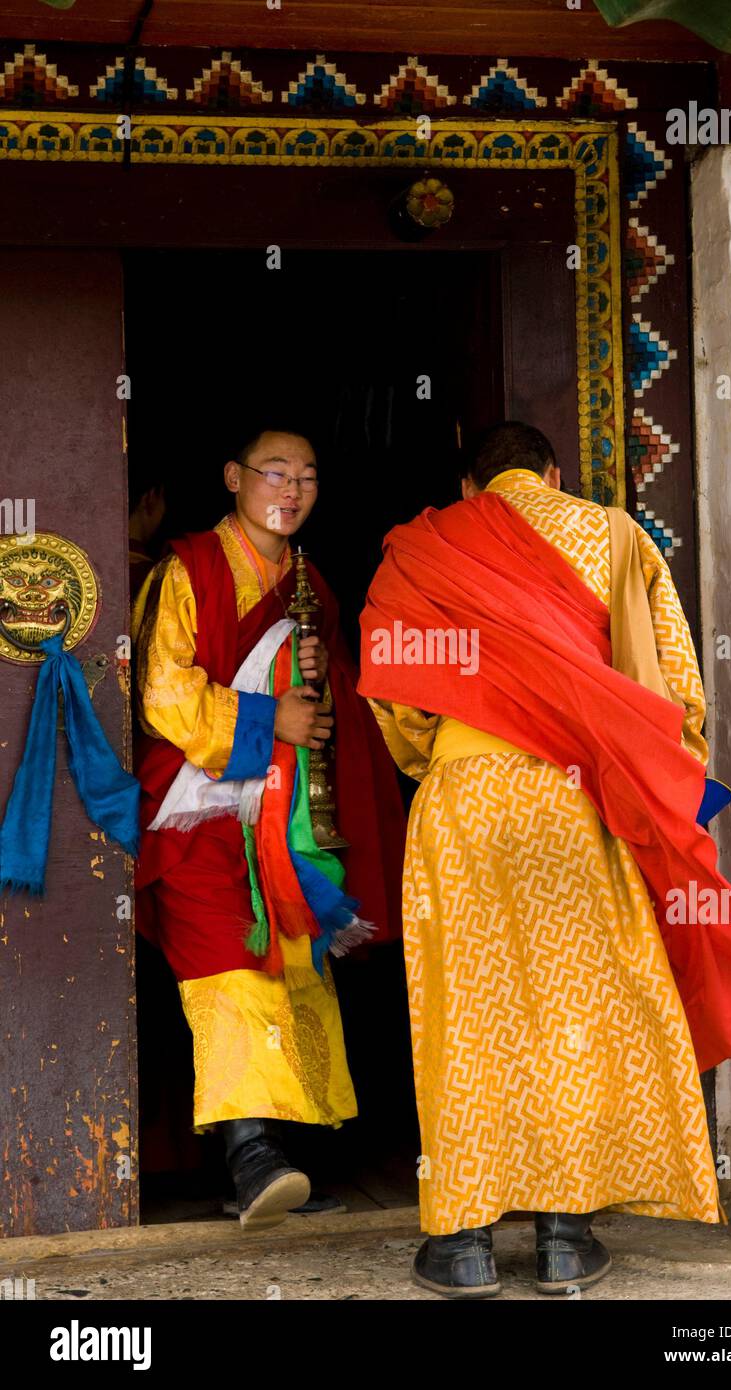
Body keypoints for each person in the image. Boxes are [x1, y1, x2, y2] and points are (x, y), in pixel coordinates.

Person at [359, 420, 731, 1299]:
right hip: (578, 798)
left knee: (464, 1013)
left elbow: (395, 693)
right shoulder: (616, 535)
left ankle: (462, 1244)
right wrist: (665, 782)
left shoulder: (423, 544)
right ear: (552, 474)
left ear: (473, 487)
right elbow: (673, 683)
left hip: (463, 798)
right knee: (579, 1011)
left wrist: (439, 758)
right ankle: (564, 1238)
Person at [131, 429, 405, 1229]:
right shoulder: (189, 569)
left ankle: (278, 1150)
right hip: (200, 800)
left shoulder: (309, 582)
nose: (290, 491)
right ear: (232, 478)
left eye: (308, 479)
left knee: (292, 961)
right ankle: (252, 1154)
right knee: (227, 958)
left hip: (280, 812)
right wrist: (266, 717)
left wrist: (316, 707)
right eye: (274, 474)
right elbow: (162, 693)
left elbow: (331, 699)